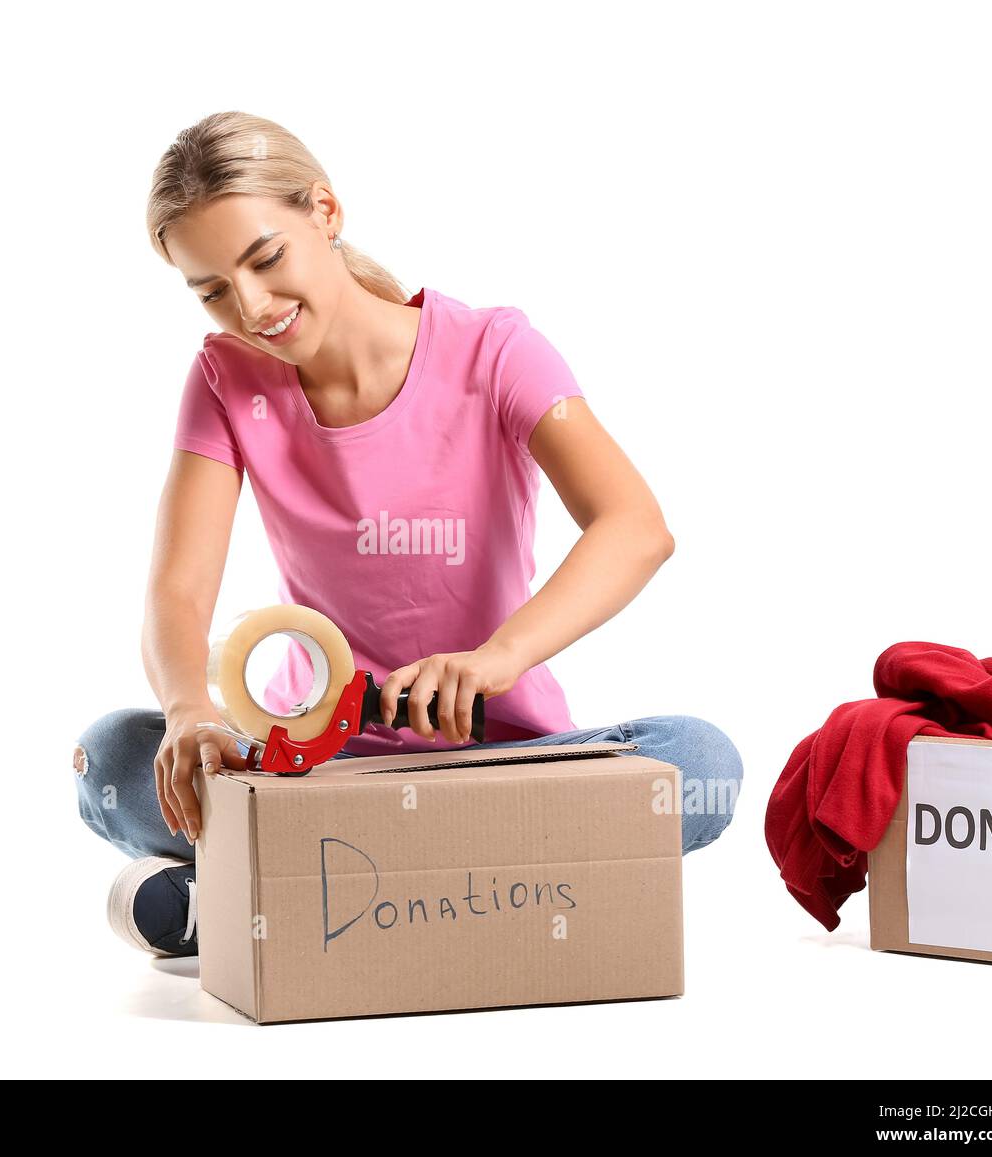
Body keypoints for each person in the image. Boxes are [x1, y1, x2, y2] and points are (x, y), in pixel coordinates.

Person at [75, 111, 743, 958]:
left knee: (697, 760)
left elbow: (635, 526)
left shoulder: (494, 350)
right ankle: (481, 891)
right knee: (107, 756)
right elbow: (177, 589)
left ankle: (271, 892)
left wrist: (496, 660)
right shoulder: (222, 377)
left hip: (497, 766)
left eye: (265, 258)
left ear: (325, 211)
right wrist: (188, 713)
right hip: (308, 770)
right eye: (211, 289)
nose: (249, 307)